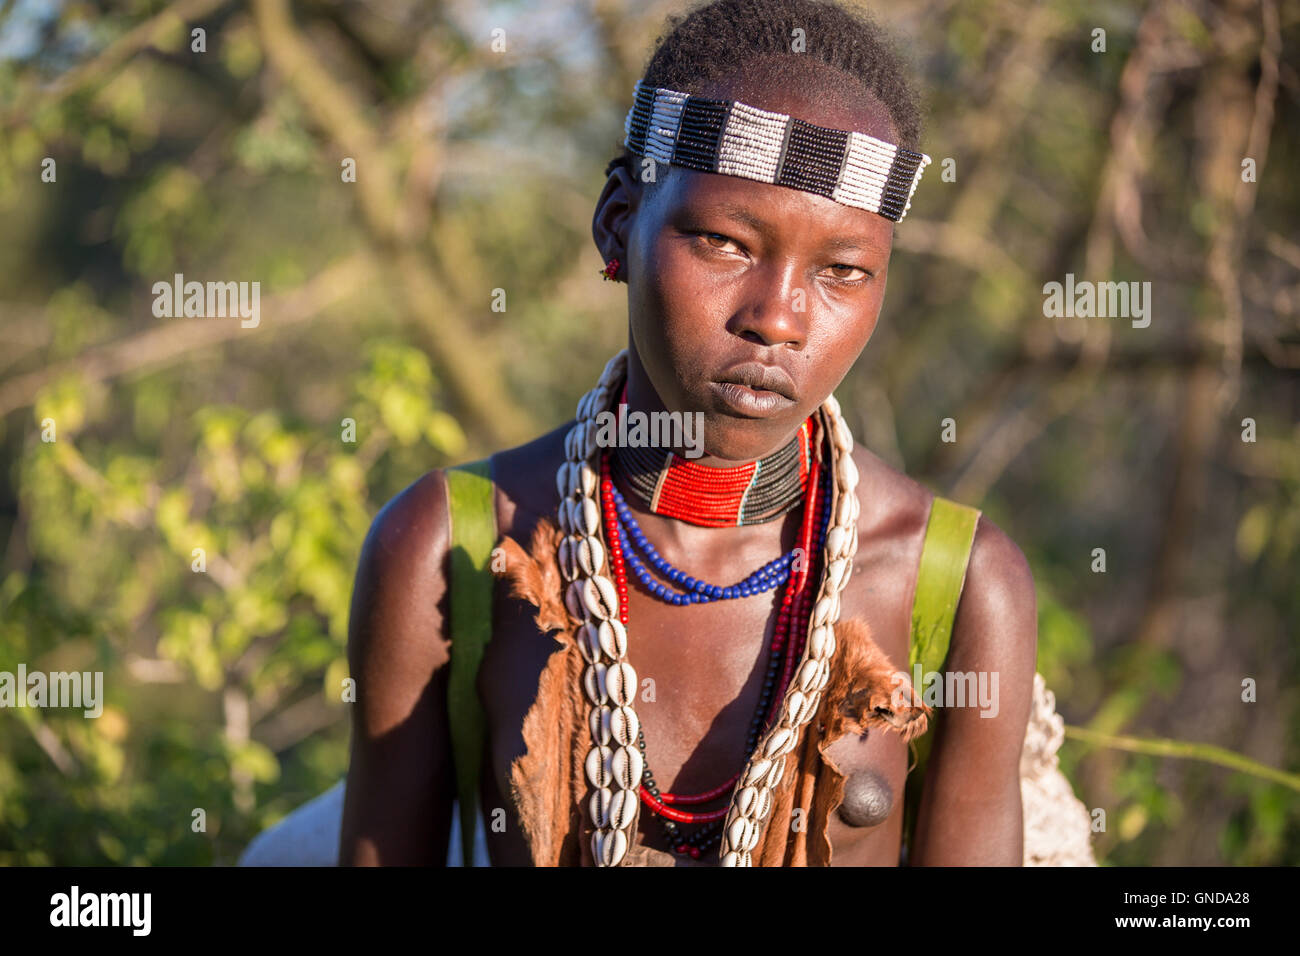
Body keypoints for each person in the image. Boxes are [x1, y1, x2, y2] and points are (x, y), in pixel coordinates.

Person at [338, 0, 1037, 867]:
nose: (778, 319)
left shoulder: (959, 585)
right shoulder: (451, 548)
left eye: (843, 272)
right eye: (725, 242)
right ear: (618, 222)